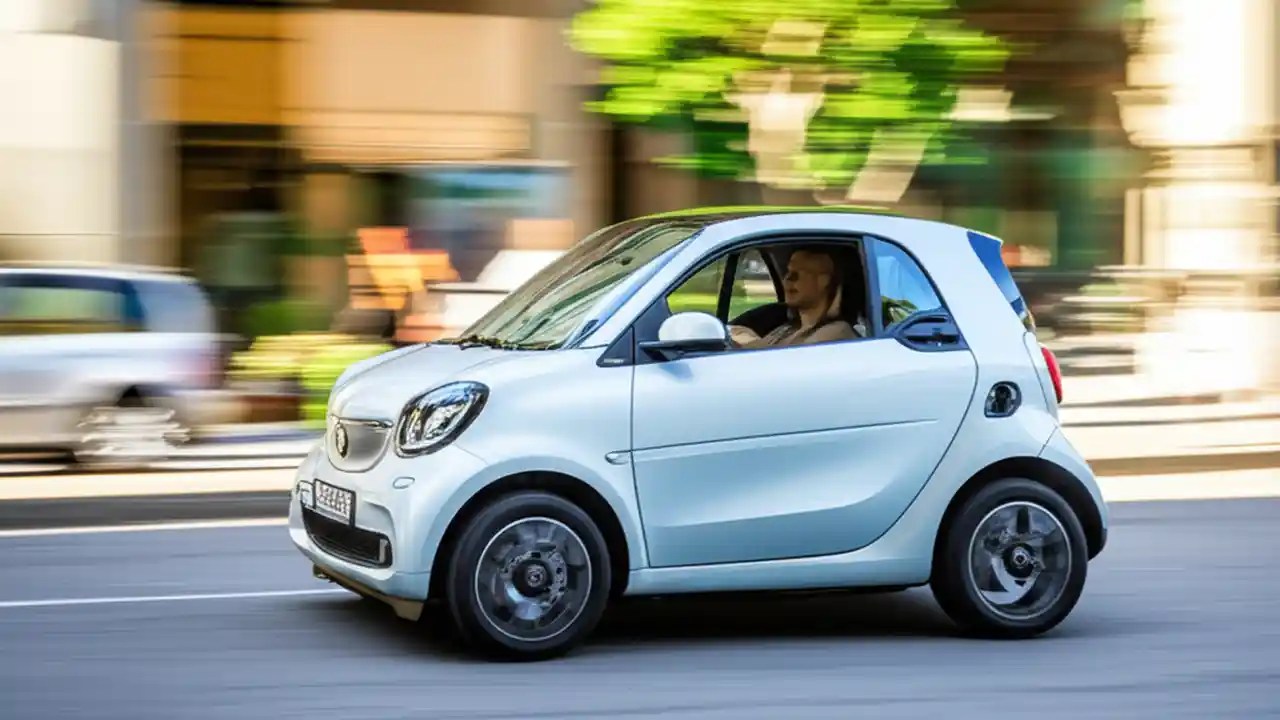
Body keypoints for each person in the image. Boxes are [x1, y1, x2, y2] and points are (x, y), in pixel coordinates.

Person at [729, 247, 862, 349]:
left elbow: (781, 364)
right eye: (788, 272)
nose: (787, 279)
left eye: (797, 274)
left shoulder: (837, 332)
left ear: (824, 281)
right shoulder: (788, 328)